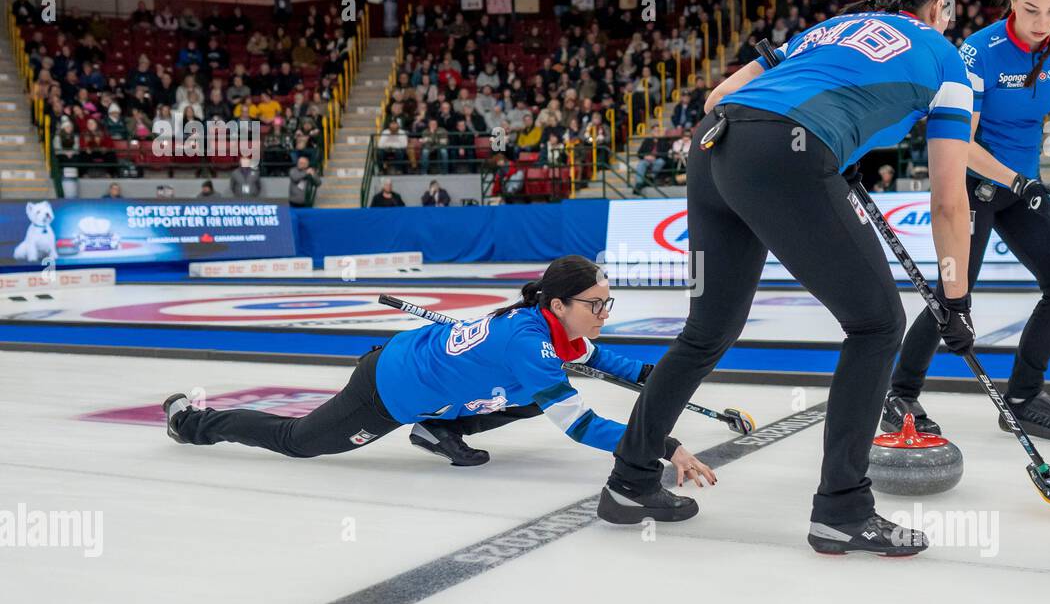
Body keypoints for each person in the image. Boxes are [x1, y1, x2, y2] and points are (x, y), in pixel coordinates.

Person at [603, 0, 976, 558]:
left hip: (715, 145)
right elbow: (949, 201)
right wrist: (955, 300)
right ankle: (843, 511)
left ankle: (629, 482)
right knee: (879, 325)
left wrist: (824, 143)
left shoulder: (822, 30)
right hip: (783, 153)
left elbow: (721, 94)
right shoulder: (947, 59)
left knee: (707, 329)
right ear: (941, 10)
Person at [162, 257, 711, 483]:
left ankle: (441, 427)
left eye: (607, 303)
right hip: (388, 390)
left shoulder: (554, 329)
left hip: (432, 377)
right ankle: (190, 421)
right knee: (299, 441)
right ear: (561, 304)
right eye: (596, 305)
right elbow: (581, 427)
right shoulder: (531, 345)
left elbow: (616, 364)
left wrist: (670, 377)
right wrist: (663, 444)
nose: (604, 315)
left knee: (527, 395)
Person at [885, 0, 1050, 444]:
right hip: (974, 187)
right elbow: (961, 145)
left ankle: (1023, 397)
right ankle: (900, 393)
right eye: (1031, 9)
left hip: (1023, 186)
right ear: (1011, 0)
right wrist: (1016, 181)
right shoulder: (979, 53)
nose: (1042, 23)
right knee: (953, 292)